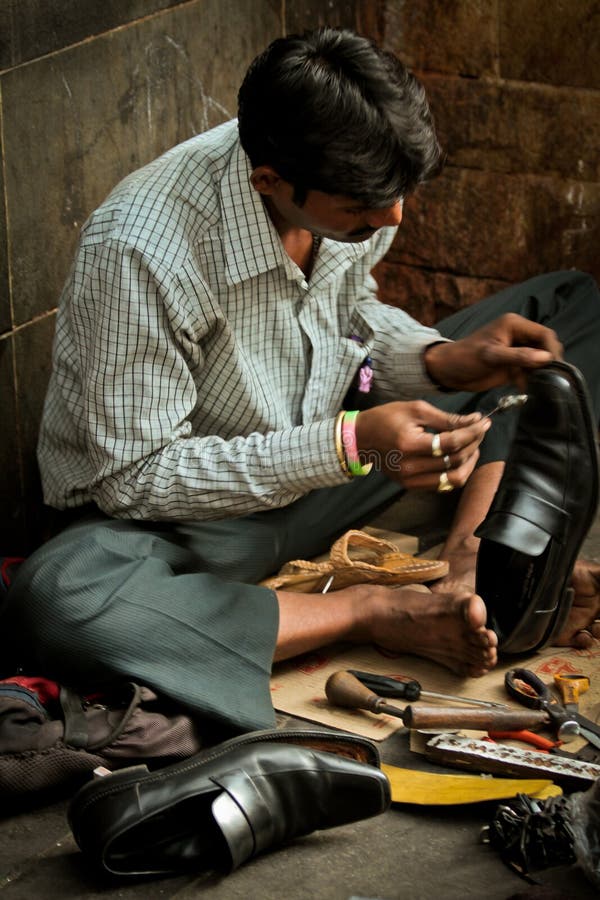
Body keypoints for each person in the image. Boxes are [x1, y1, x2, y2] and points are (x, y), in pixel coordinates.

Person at [2, 27, 600, 737]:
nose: (390, 220)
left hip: (335, 465)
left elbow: (350, 317)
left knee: (573, 306)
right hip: (187, 526)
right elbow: (133, 478)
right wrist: (347, 446)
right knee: (58, 599)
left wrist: (438, 360)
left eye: (399, 197)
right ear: (269, 183)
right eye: (360, 213)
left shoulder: (349, 178)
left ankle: (476, 563)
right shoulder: (139, 249)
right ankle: (372, 612)